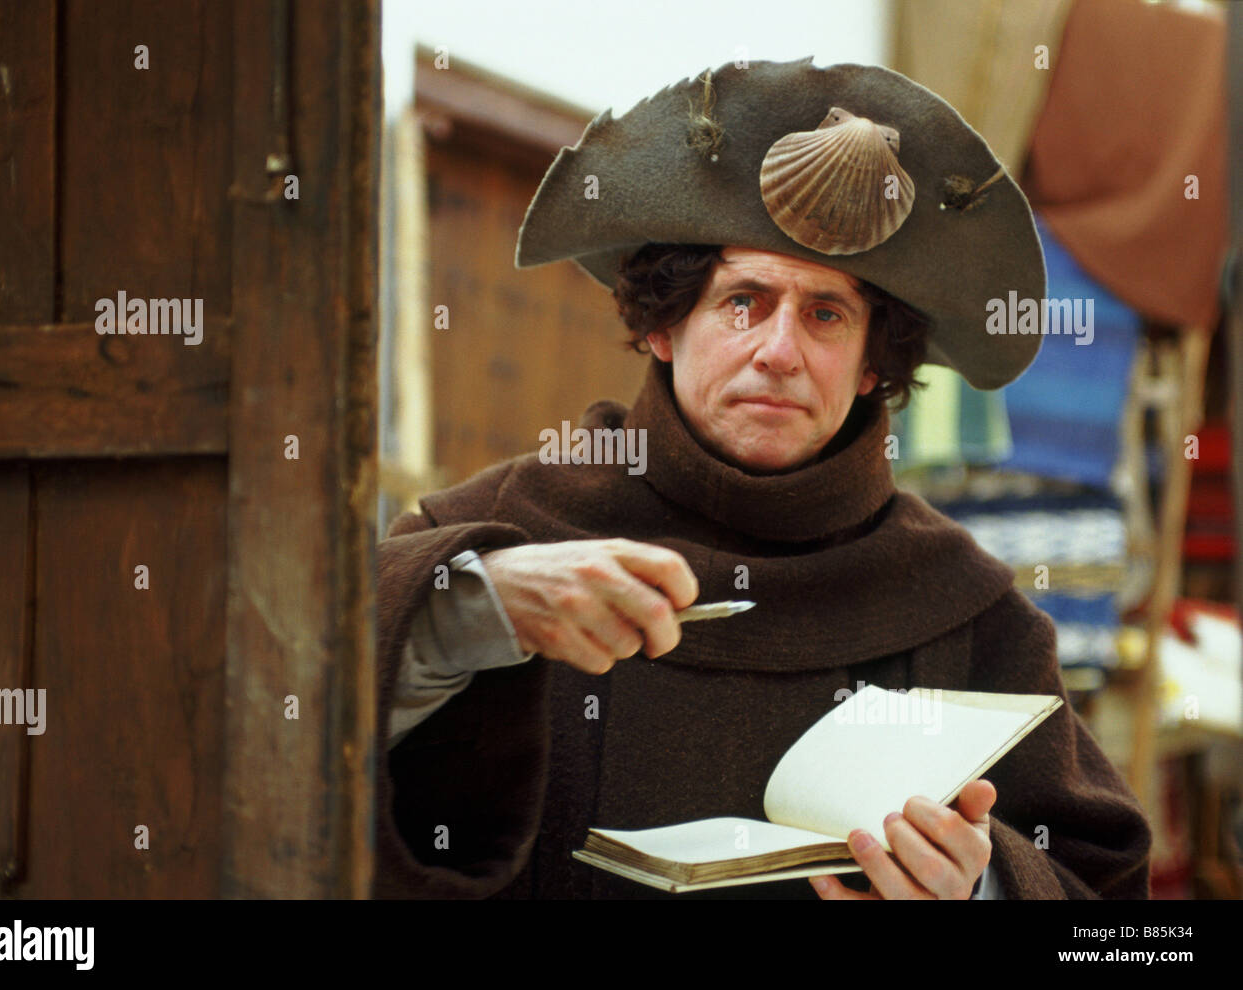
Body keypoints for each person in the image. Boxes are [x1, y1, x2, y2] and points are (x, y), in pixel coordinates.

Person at [376, 56, 1152, 899]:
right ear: (665, 325)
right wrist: (473, 610)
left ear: (872, 363)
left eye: (826, 314)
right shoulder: (501, 533)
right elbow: (297, 726)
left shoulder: (972, 613)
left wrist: (979, 886)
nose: (780, 351)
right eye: (743, 301)